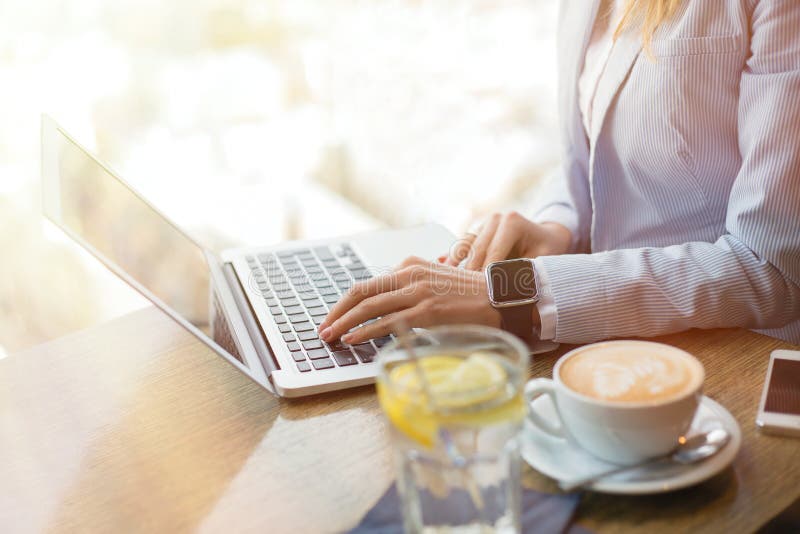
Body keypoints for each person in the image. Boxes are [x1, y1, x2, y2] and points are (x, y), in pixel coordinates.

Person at [319, 0, 800, 347]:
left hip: (741, 354)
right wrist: (559, 226)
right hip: (611, 343)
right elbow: (591, 154)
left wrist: (517, 294)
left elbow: (771, 270)